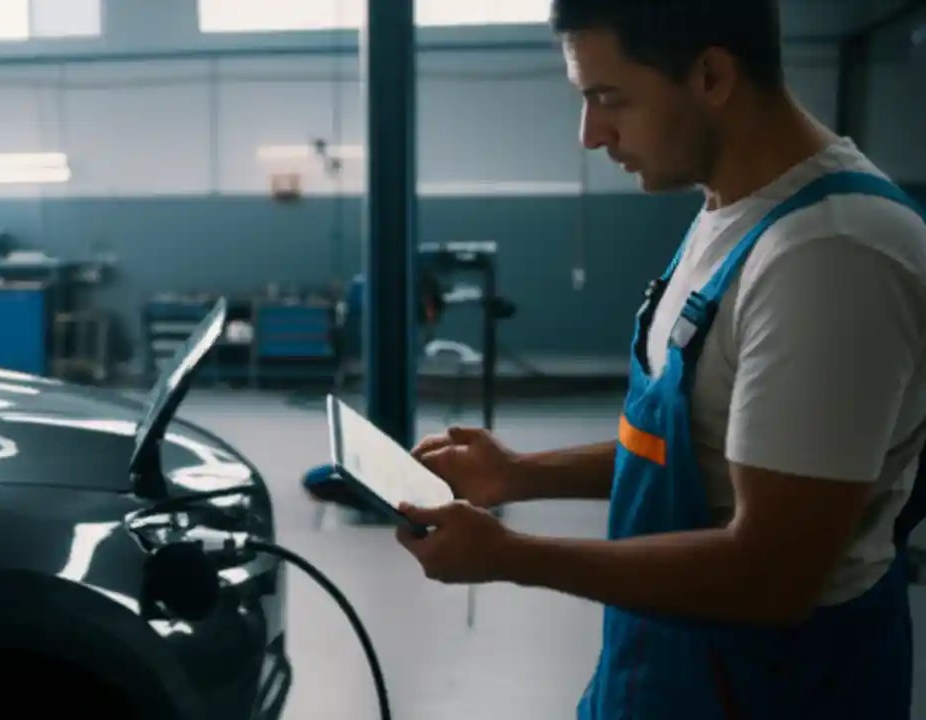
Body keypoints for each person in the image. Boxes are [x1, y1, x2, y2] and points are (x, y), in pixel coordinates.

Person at [393, 1, 926, 718]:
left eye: (608, 97)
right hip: (666, 670)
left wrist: (513, 557)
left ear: (710, 75)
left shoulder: (830, 255)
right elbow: (697, 450)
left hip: (770, 689)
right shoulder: (730, 211)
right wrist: (516, 475)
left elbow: (771, 576)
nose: (590, 134)